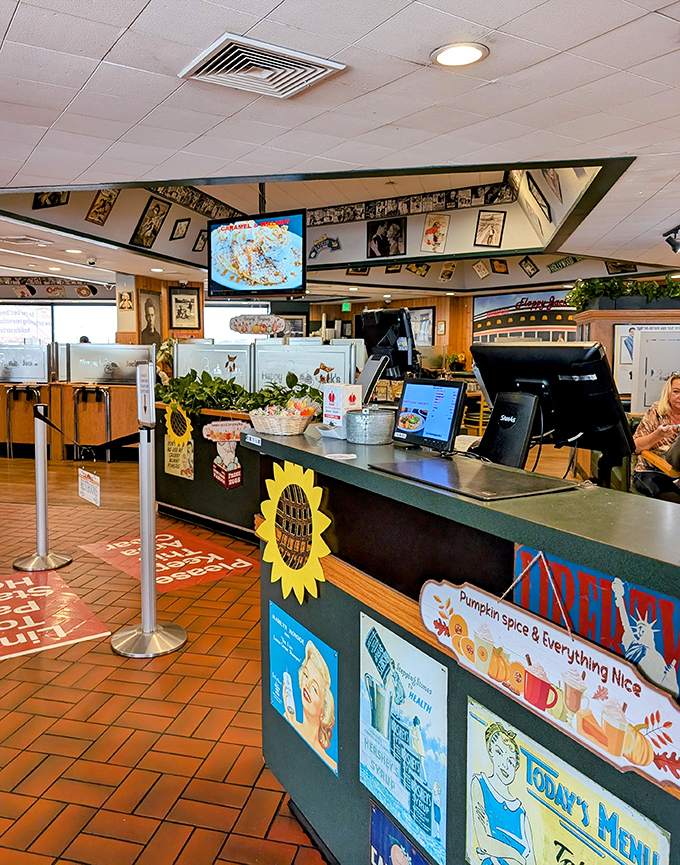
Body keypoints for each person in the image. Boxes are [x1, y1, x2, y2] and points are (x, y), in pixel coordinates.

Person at [470, 722, 534, 865]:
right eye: (499, 752)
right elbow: (484, 842)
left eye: (511, 762)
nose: (505, 765)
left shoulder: (521, 814)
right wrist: (517, 857)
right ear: (490, 751)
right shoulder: (480, 784)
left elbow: (531, 861)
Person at [284, 640, 337, 772]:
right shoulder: (288, 719)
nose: (306, 686)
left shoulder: (332, 764)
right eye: (306, 675)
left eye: (314, 688)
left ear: (324, 710)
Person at [632, 373, 680, 503]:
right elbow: (635, 446)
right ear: (668, 394)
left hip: (678, 475)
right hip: (650, 472)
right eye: (676, 391)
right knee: (673, 498)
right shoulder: (656, 413)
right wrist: (658, 435)